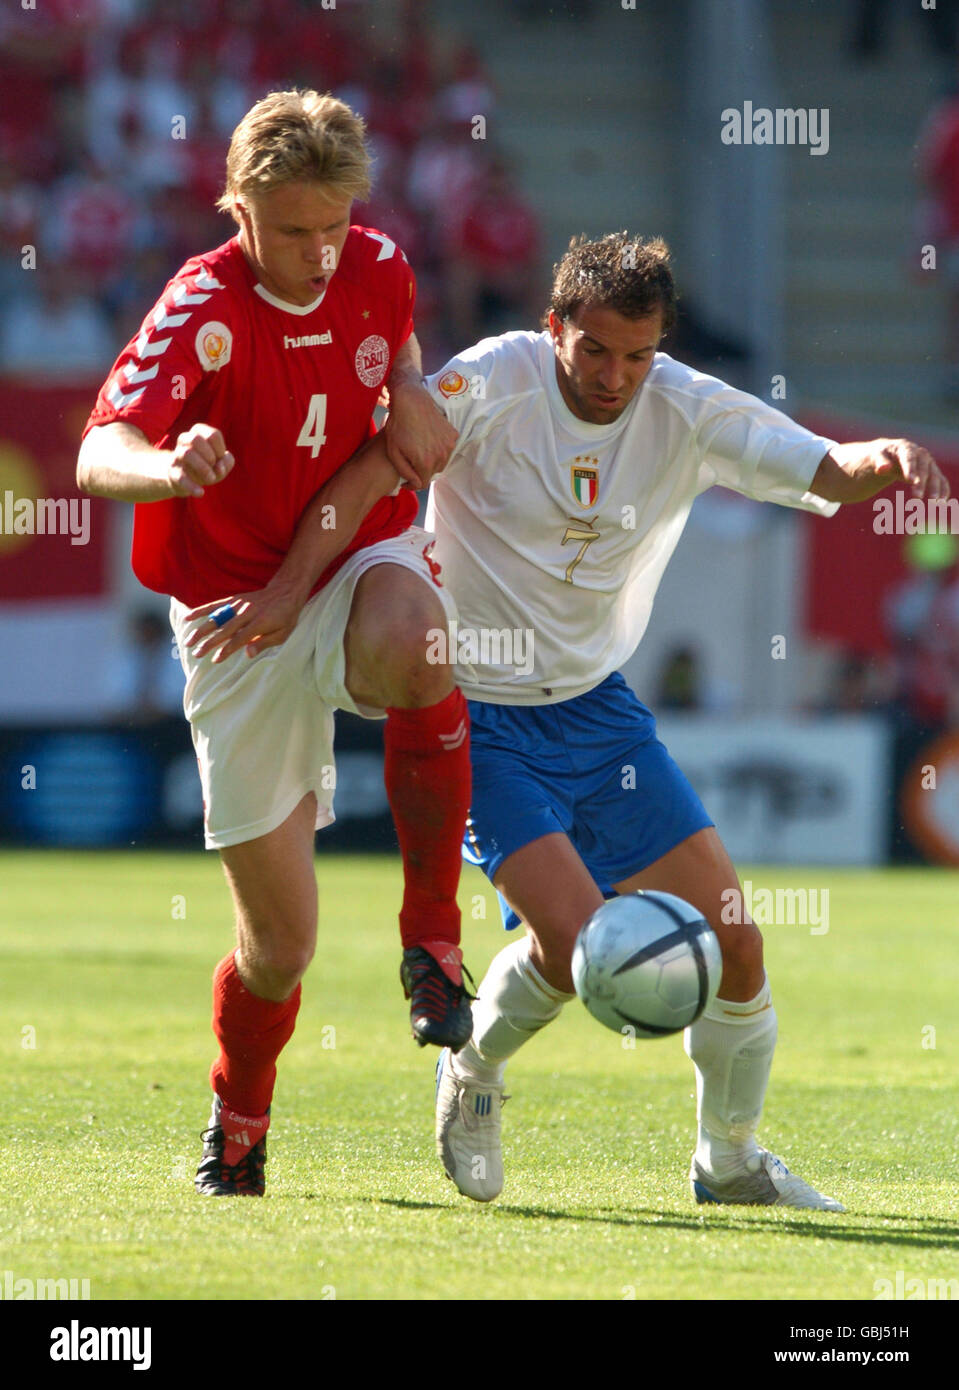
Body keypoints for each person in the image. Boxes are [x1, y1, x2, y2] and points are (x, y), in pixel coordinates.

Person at [191, 231, 948, 1210]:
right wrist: (294, 587)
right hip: (480, 714)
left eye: (636, 355)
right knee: (581, 947)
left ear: (659, 345)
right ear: (553, 327)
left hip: (601, 714)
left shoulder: (682, 404)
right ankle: (472, 1073)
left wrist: (875, 456)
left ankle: (728, 1160)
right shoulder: (492, 382)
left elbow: (821, 470)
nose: (613, 375)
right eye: (593, 350)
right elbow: (383, 468)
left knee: (736, 942)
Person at [76, 90, 476, 1199]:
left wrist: (402, 380)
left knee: (422, 649)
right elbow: (100, 449)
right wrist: (169, 466)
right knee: (279, 949)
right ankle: (239, 1119)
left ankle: (432, 941)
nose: (315, 253)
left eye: (331, 227)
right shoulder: (199, 303)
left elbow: (386, 421)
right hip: (229, 615)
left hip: (349, 559)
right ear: (238, 209)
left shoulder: (378, 264)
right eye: (291, 230)